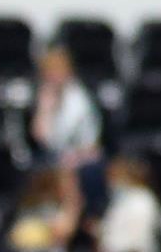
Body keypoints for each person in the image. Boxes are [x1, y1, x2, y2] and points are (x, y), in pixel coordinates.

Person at [31, 47, 105, 232]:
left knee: (68, 171)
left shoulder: (79, 99)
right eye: (49, 72)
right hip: (54, 157)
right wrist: (45, 109)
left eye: (57, 71)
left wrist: (71, 156)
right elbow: (42, 138)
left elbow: (90, 142)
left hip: (83, 154)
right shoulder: (44, 98)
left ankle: (73, 220)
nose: (53, 77)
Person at [98, 157, 161, 252]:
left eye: (114, 175)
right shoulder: (123, 198)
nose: (111, 180)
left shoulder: (142, 200)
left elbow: (137, 240)